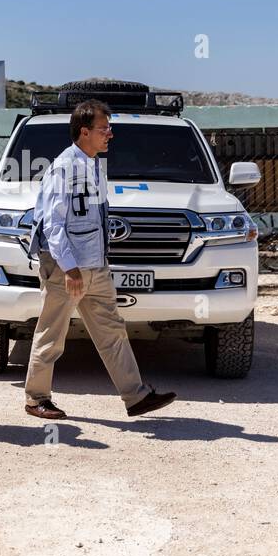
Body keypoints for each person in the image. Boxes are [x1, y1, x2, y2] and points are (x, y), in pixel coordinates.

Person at [23, 99, 176, 420]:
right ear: (84, 132)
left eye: (109, 128)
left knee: (112, 332)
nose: (110, 134)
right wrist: (70, 268)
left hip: (94, 267)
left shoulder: (93, 165)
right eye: (104, 128)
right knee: (52, 333)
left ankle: (136, 397)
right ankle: (36, 398)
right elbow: (53, 222)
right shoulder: (64, 168)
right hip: (67, 269)